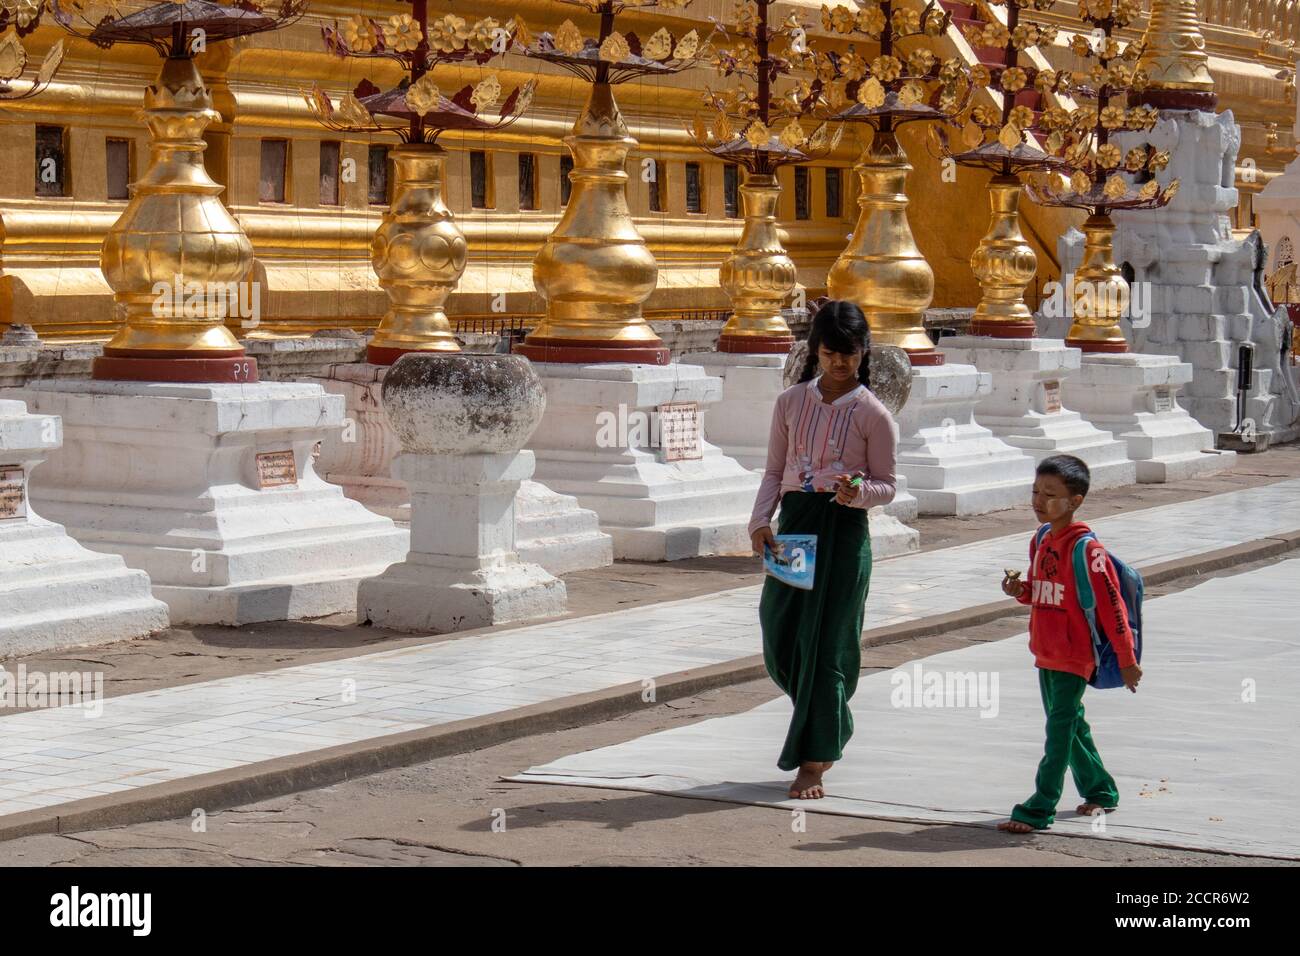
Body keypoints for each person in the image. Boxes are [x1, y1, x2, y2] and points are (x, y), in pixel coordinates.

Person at [748, 300, 898, 800]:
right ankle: (831, 717)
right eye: (830, 353)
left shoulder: (874, 414)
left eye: (849, 354)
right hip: (794, 528)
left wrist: (860, 494)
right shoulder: (790, 402)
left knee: (829, 644)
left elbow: (888, 484)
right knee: (781, 632)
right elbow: (774, 470)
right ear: (815, 351)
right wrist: (758, 522)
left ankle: (814, 761)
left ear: (863, 353)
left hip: (844, 533)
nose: (839, 363)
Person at [997, 454, 1143, 834]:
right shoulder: (1042, 539)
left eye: (1050, 494)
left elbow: (1112, 609)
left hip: (1073, 655)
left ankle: (1040, 805)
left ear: (1075, 500)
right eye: (1035, 492)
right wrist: (1019, 590)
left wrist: (1127, 658)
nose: (1039, 501)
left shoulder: (1087, 551)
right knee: (1070, 723)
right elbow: (1039, 592)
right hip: (1045, 650)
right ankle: (1101, 789)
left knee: (1058, 732)